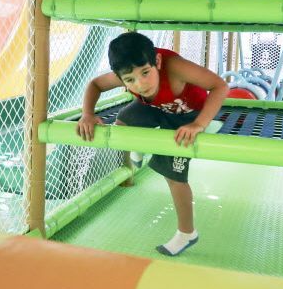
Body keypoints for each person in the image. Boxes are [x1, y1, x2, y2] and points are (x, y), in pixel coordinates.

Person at [77, 32, 229, 256]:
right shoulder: (129, 75)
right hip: (156, 108)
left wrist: (199, 124)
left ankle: (187, 232)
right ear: (122, 78)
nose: (140, 84)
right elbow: (95, 84)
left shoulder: (175, 67)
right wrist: (87, 114)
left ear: (157, 62)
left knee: (174, 177)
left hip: (187, 117)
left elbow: (220, 86)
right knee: (122, 122)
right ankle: (139, 148)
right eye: (130, 80)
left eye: (145, 73)